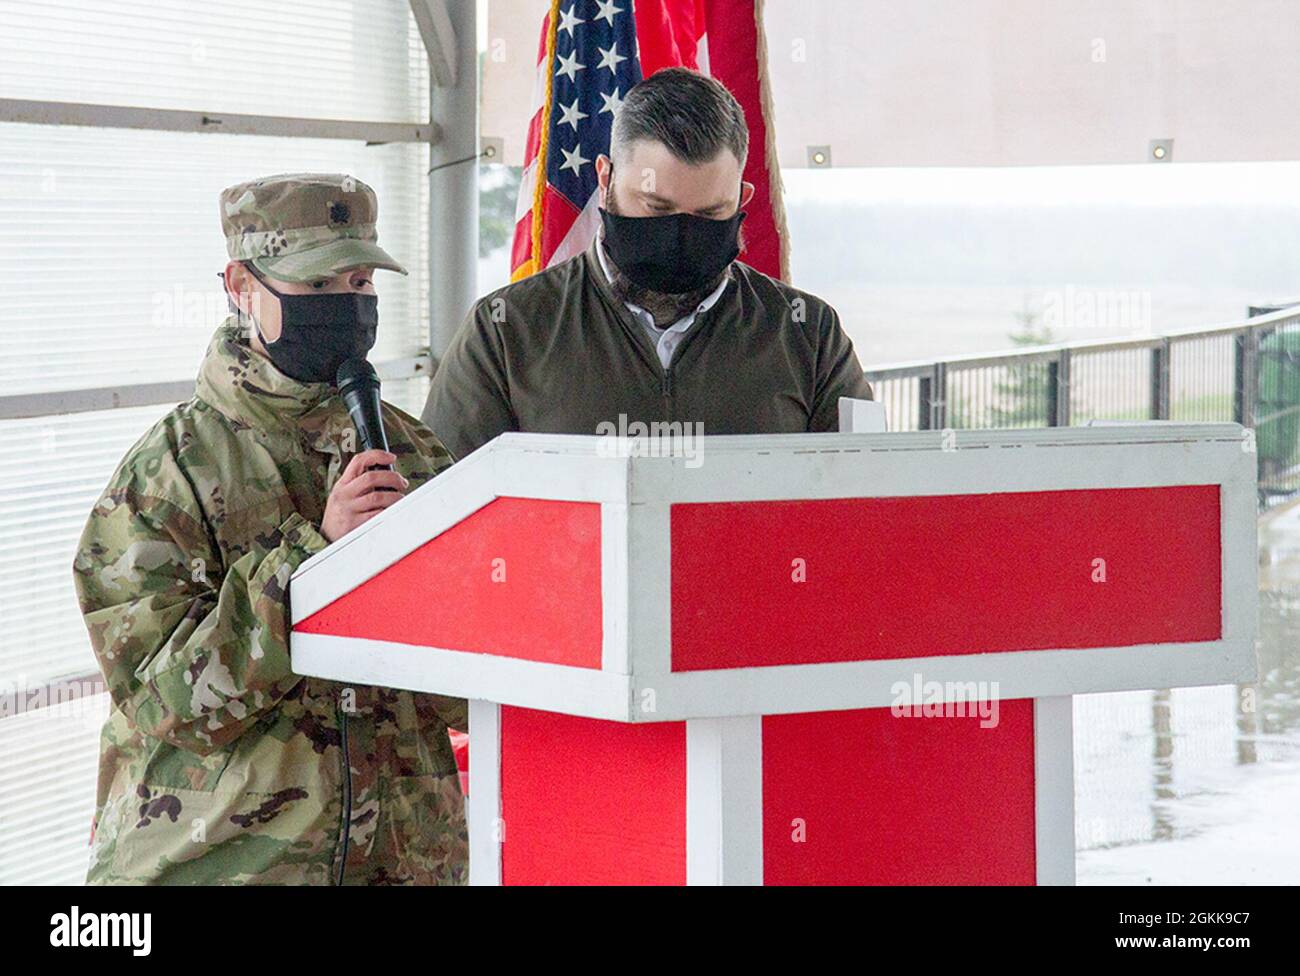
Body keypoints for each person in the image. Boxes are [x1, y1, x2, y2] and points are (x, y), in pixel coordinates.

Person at [72, 173, 468, 885]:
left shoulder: (415, 454)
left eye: (357, 282)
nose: (345, 307)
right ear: (240, 285)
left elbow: (469, 690)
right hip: (222, 867)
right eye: (315, 289)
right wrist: (318, 559)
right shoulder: (170, 472)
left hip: (403, 865)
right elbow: (167, 700)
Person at [422, 67, 874, 460]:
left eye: (710, 214)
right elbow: (438, 510)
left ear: (743, 200)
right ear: (606, 179)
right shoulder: (508, 332)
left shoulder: (808, 335)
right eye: (657, 209)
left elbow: (871, 499)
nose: (680, 234)